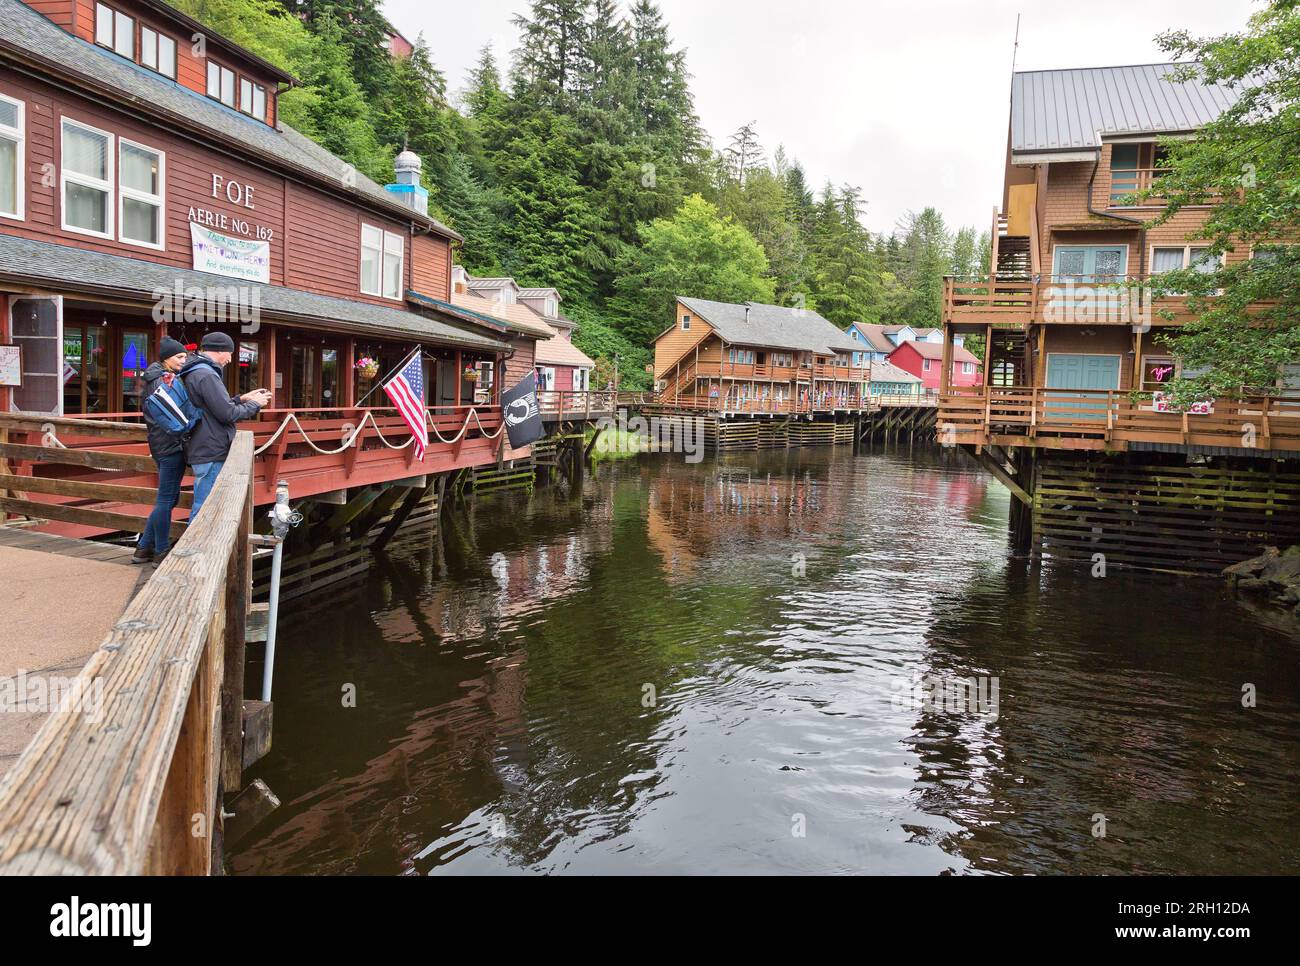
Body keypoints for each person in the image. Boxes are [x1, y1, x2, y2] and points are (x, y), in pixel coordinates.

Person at [180, 332, 271, 519]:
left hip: (203, 445)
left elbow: (212, 408)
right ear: (220, 350)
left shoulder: (196, 371)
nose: (230, 359)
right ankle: (193, 548)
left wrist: (241, 399)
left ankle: (197, 546)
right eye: (230, 353)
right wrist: (255, 404)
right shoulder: (207, 375)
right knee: (205, 508)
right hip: (210, 448)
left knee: (206, 504)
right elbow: (227, 414)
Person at [133, 337, 190, 564]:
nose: (183, 361)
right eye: (179, 357)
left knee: (168, 498)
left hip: (160, 444)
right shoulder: (163, 381)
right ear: (166, 358)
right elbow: (174, 416)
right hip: (170, 445)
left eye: (185, 356)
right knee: (166, 500)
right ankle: (161, 550)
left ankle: (144, 547)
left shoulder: (154, 378)